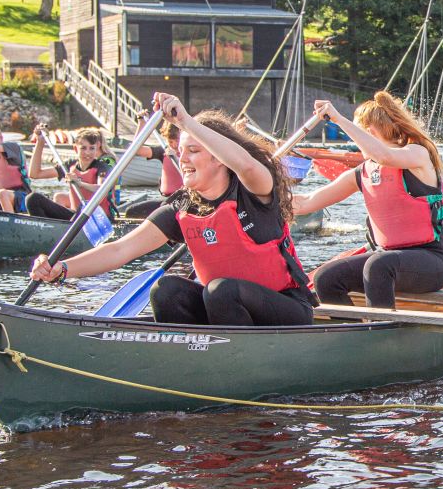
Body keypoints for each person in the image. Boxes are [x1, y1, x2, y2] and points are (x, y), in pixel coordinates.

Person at [30, 94, 315, 327]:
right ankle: (186, 360)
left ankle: (232, 369)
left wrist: (186, 121)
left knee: (221, 290)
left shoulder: (252, 189)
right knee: (166, 290)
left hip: (285, 310)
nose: (183, 158)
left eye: (193, 150)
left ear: (218, 158)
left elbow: (247, 164)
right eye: (181, 150)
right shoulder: (182, 206)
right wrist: (62, 269)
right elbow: (120, 250)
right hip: (226, 313)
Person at [293, 91, 443, 308]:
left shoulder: (417, 154)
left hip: (432, 261)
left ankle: (379, 330)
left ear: (368, 132)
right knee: (327, 277)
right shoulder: (362, 172)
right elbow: (305, 202)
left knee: (378, 265)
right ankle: (349, 329)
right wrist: (261, 193)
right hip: (387, 259)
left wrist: (339, 119)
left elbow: (385, 156)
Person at [26, 125, 115, 221]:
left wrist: (80, 183)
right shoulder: (70, 165)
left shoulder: (102, 166)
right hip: (76, 217)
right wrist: (40, 142)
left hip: (99, 218)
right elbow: (35, 174)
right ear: (76, 149)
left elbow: (102, 189)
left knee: (80, 210)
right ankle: (45, 229)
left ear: (97, 148)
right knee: (33, 199)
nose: (88, 153)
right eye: (83, 148)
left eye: (92, 148)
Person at [122, 120, 185, 219]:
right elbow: (137, 149)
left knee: (163, 211)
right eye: (171, 141)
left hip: (184, 199)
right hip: (167, 199)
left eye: (177, 140)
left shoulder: (191, 153)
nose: (174, 145)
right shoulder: (163, 151)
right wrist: (141, 123)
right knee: (131, 211)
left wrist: (177, 157)